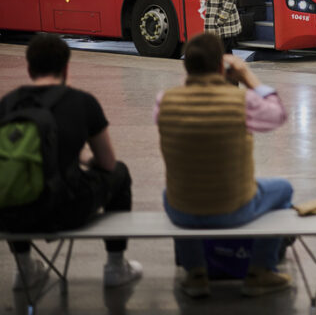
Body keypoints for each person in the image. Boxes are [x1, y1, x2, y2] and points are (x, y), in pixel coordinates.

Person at [154, 32, 292, 298]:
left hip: (182, 210)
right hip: (234, 209)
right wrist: (247, 77)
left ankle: (195, 275)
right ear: (222, 66)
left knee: (168, 194)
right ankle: (260, 272)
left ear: (186, 66)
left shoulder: (164, 102)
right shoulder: (243, 102)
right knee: (283, 189)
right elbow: (278, 115)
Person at [1, 34, 142, 291]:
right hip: (62, 210)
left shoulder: (8, 104)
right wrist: (82, 159)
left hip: (10, 216)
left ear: (29, 68)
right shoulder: (82, 102)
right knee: (120, 173)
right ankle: (115, 266)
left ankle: (24, 269)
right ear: (66, 67)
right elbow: (108, 163)